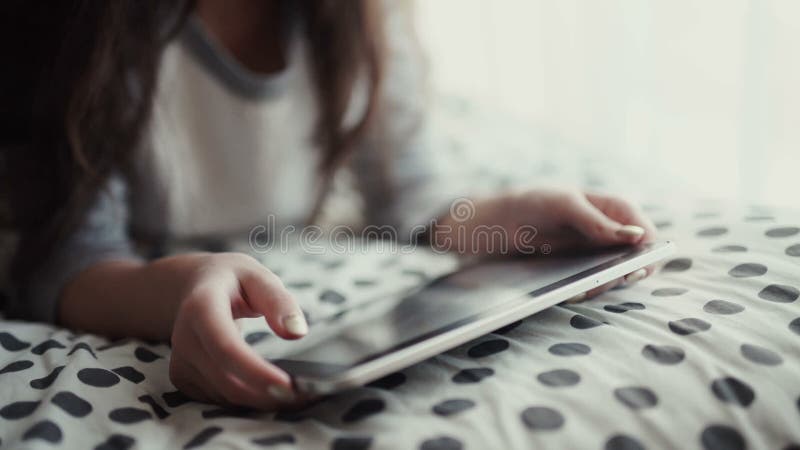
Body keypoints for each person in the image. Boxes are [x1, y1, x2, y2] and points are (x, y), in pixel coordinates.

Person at [0, 0, 656, 410]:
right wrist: (183, 289)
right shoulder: (84, 31)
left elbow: (414, 202)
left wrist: (514, 216)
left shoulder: (362, 16)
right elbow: (65, 264)